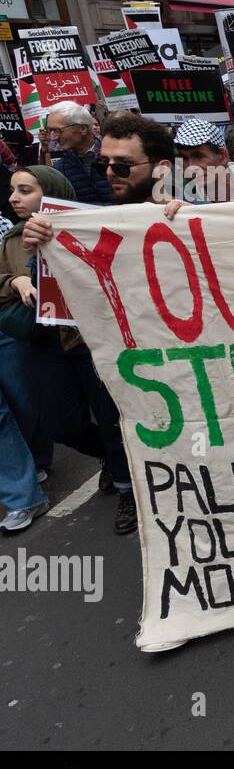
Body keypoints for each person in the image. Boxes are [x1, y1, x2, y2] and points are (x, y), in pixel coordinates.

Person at [19, 113, 181, 535]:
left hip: (179, 362)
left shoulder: (193, 212)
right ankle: (126, 476)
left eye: (122, 165)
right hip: (113, 352)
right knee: (100, 423)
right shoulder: (94, 221)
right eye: (103, 164)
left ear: (161, 168)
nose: (109, 172)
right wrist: (41, 251)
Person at [0, 167, 69, 533]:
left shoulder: (77, 227)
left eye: (24, 190)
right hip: (23, 335)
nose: (13, 198)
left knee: (32, 405)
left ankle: (119, 477)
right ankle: (23, 494)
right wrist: (17, 281)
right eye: (12, 190)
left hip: (67, 343)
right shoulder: (11, 238)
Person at [174, 119, 234, 203]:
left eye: (199, 156)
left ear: (222, 156)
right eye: (184, 158)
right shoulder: (185, 199)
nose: (191, 167)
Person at [45, 101, 111, 205]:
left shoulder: (115, 155)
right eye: (50, 131)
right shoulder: (60, 169)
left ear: (83, 128)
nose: (53, 137)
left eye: (57, 130)